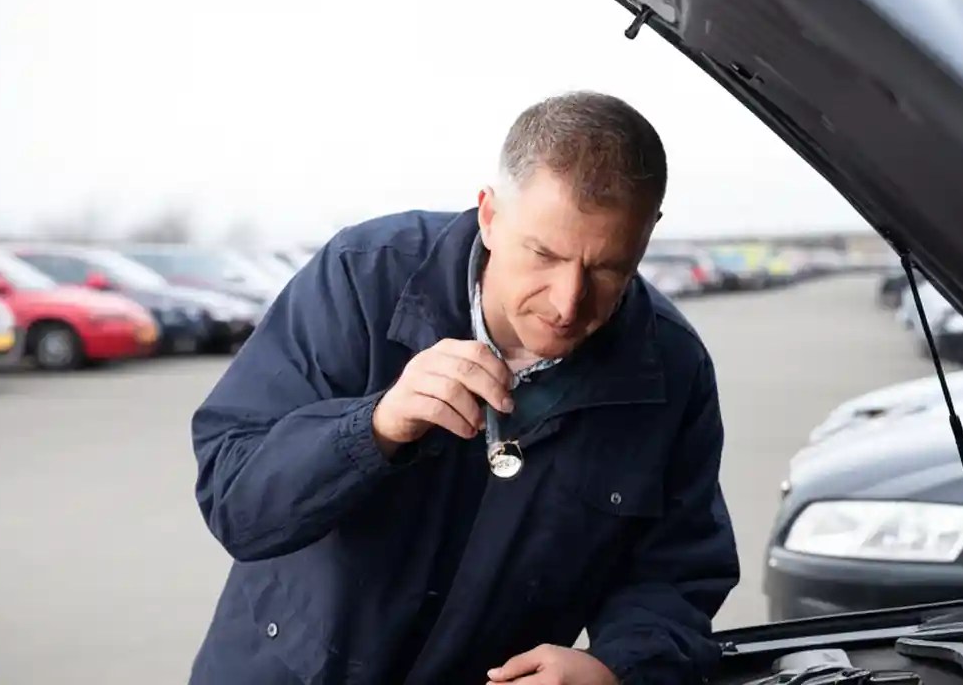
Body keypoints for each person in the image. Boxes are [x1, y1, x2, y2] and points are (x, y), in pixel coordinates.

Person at [187, 91, 740, 685]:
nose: (568, 301)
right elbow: (235, 500)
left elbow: (676, 576)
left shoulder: (671, 370)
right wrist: (372, 427)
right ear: (490, 214)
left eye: (607, 268)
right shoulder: (360, 276)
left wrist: (615, 669)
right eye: (543, 254)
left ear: (647, 236)